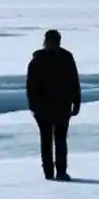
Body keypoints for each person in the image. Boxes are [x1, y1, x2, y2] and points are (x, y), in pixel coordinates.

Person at [26, 29, 82, 181]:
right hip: (45, 108)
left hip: (61, 107)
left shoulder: (65, 58)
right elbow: (31, 87)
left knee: (59, 140)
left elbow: (74, 82)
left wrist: (77, 102)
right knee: (49, 141)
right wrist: (34, 107)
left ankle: (60, 172)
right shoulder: (39, 60)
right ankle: (50, 173)